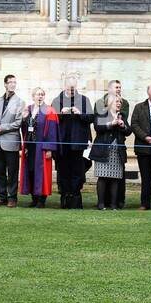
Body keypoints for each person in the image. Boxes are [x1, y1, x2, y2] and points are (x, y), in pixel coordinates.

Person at [52, 74, 92, 209]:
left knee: (77, 171)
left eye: (73, 88)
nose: (71, 91)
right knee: (63, 171)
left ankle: (75, 197)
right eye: (69, 89)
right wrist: (60, 114)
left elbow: (91, 118)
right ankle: (64, 196)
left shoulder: (84, 100)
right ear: (65, 87)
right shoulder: (57, 100)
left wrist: (80, 113)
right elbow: (51, 120)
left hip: (78, 142)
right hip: (62, 142)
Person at [20, 87, 59, 207]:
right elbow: (24, 128)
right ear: (33, 96)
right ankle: (34, 198)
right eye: (38, 94)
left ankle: (41, 199)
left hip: (42, 148)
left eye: (42, 94)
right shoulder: (29, 109)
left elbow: (52, 131)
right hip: (30, 147)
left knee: (42, 173)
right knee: (30, 171)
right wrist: (24, 118)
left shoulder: (49, 110)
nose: (40, 96)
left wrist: (49, 148)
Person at [91, 90, 129, 210]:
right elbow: (97, 127)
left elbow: (129, 131)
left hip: (117, 152)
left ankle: (113, 204)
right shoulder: (102, 114)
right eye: (117, 101)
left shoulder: (121, 115)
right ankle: (101, 203)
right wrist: (111, 124)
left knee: (115, 178)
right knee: (102, 177)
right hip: (103, 150)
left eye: (120, 102)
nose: (119, 104)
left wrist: (123, 126)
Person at [0, 74, 24, 207]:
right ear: (5, 84)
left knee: (12, 172)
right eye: (10, 82)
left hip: (11, 141)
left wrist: (1, 128)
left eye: (14, 82)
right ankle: (1, 197)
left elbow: (18, 123)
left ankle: (12, 198)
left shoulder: (20, 102)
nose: (13, 85)